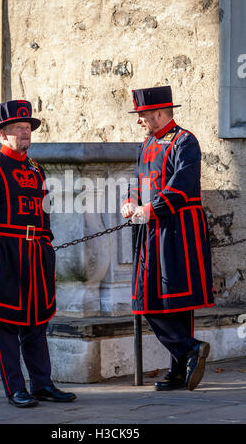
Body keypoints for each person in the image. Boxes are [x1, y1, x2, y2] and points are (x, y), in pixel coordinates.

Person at [0, 100, 76, 407]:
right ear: (3, 134)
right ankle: (15, 388)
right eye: (18, 128)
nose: (25, 134)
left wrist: (46, 244)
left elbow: (44, 212)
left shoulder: (36, 169)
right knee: (7, 324)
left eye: (27, 128)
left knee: (37, 323)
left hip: (36, 254)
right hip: (4, 254)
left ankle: (42, 384)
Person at [122, 86, 214, 391]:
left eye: (143, 115)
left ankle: (184, 358)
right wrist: (130, 201)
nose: (139, 121)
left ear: (159, 113)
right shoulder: (147, 143)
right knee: (146, 297)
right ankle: (186, 355)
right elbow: (139, 181)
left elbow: (182, 186)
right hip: (150, 229)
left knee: (173, 300)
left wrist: (150, 209)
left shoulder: (185, 142)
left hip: (179, 229)